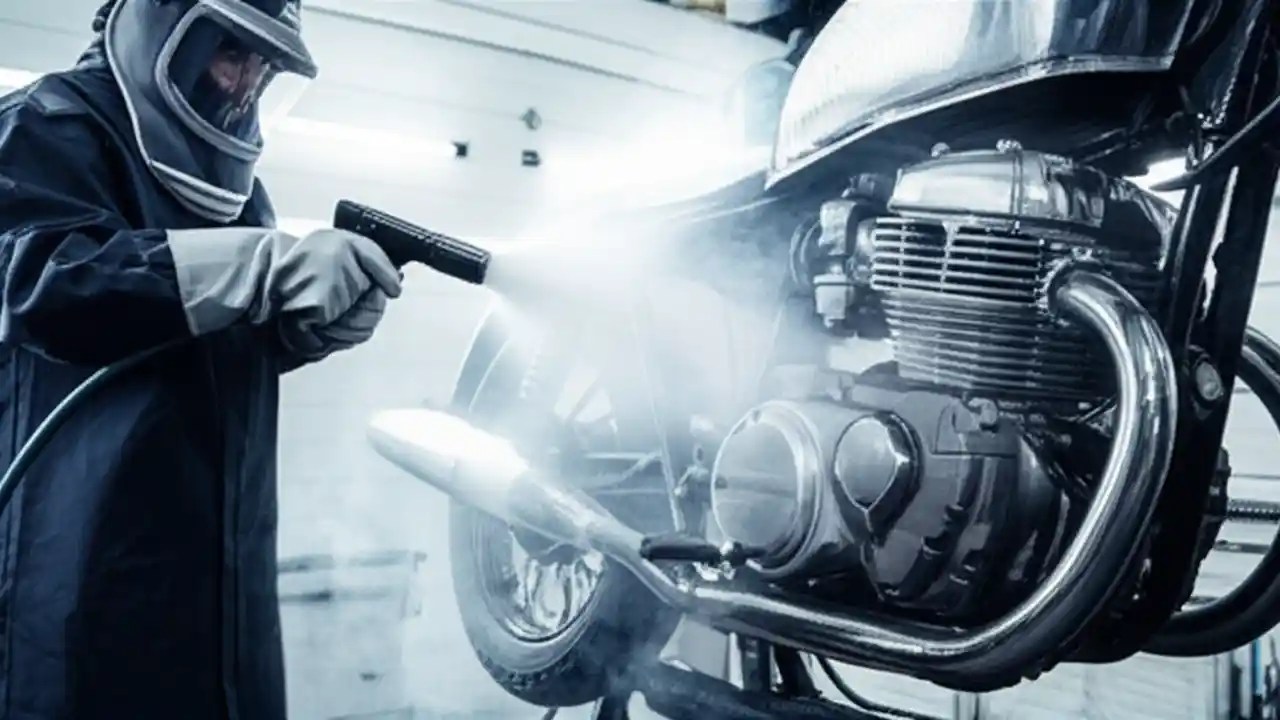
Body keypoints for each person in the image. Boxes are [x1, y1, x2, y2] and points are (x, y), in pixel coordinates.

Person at [0, 0, 402, 717]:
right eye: (231, 53)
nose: (246, 85)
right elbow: (44, 284)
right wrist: (256, 270)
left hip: (224, 598)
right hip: (76, 600)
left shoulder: (236, 198)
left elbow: (198, 355)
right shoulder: (48, 125)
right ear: (162, 27)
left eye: (264, 66)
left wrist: (296, 334)